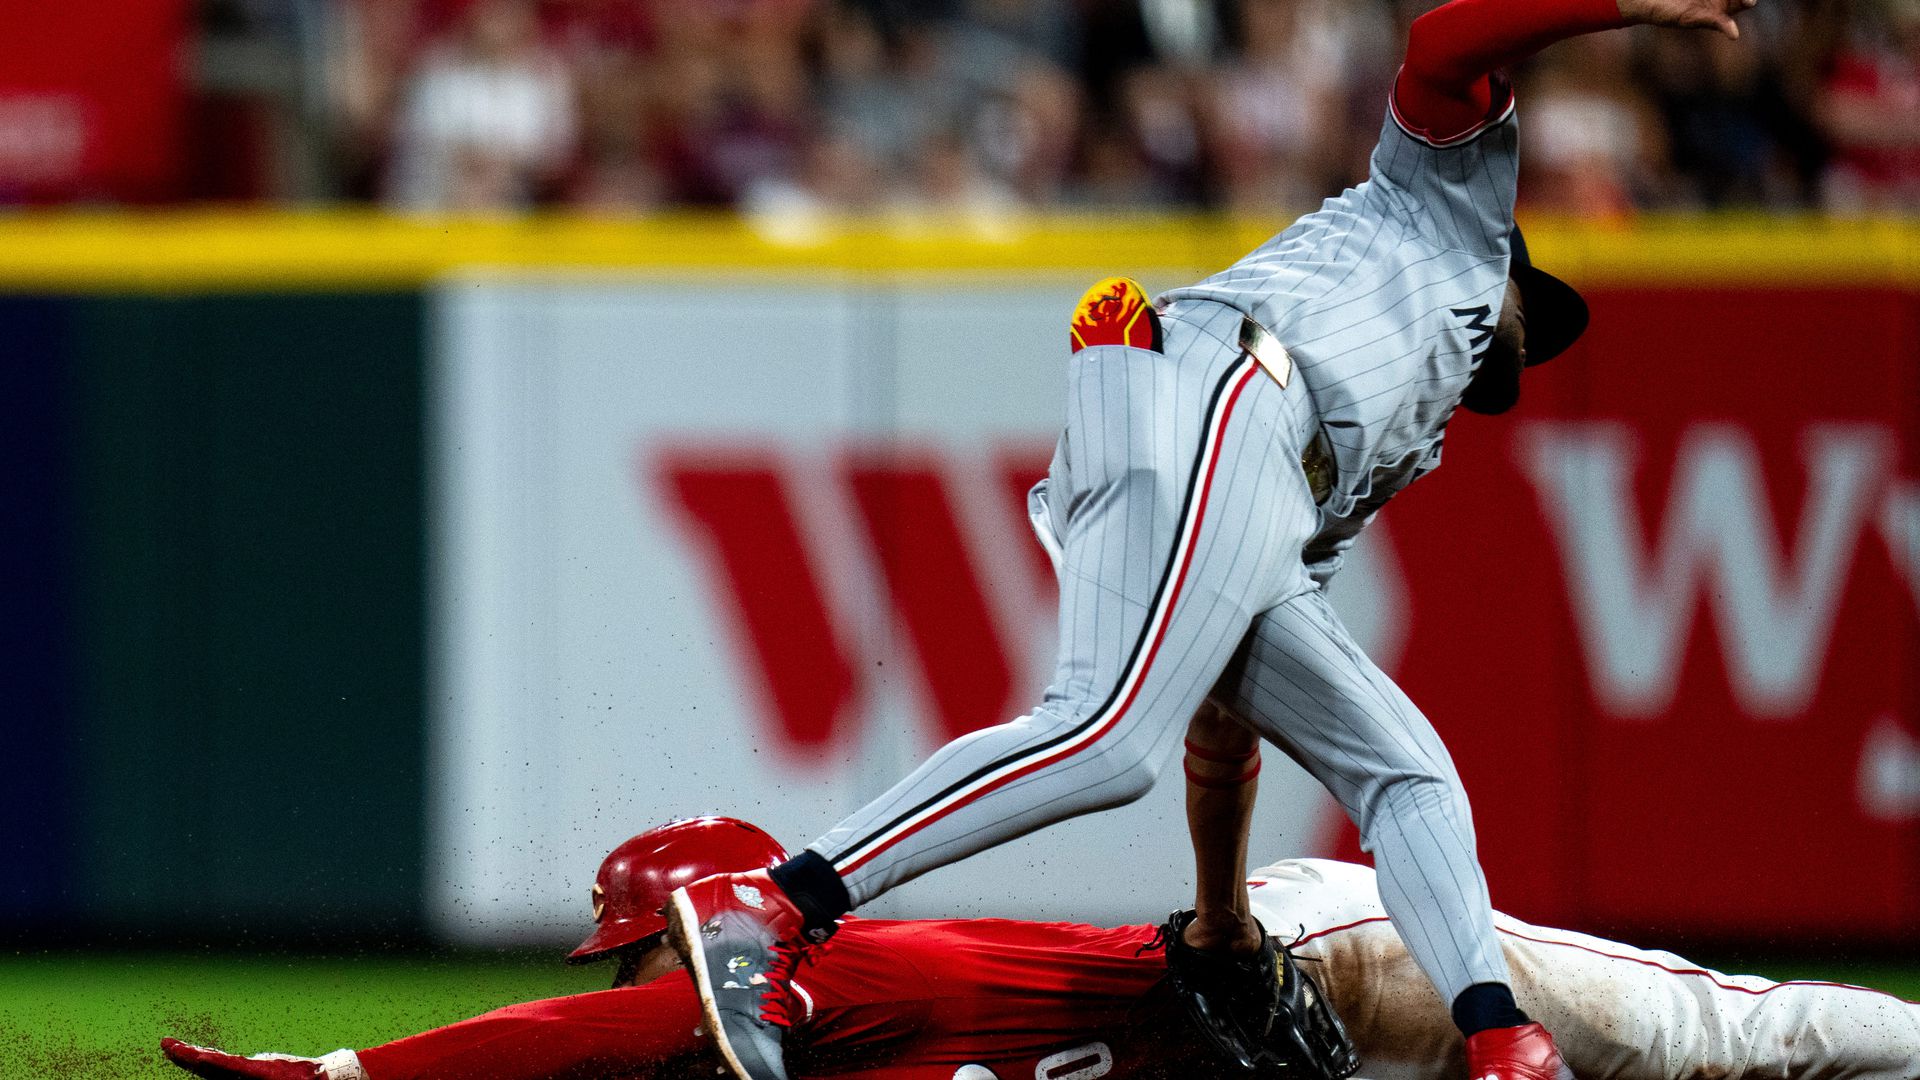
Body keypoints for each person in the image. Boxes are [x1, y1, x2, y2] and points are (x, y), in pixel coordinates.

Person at [662, 0, 1762, 1078]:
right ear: (1513, 271)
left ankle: (1500, 1042)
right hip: (1229, 390)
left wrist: (1222, 915)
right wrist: (1623, 8)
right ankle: (768, 904)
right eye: (1536, 310)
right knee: (1102, 739)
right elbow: (1440, 41)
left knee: (1408, 772)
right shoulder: (1450, 215)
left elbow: (1226, 720)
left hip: (1239, 448)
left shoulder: (1399, 449)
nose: (1530, 336)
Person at [160, 816, 1920, 1080]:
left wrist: (354, 1072)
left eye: (645, 949)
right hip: (1258, 1056)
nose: (635, 980)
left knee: (1730, 1045)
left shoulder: (817, 979)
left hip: (1308, 958)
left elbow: (585, 1043)